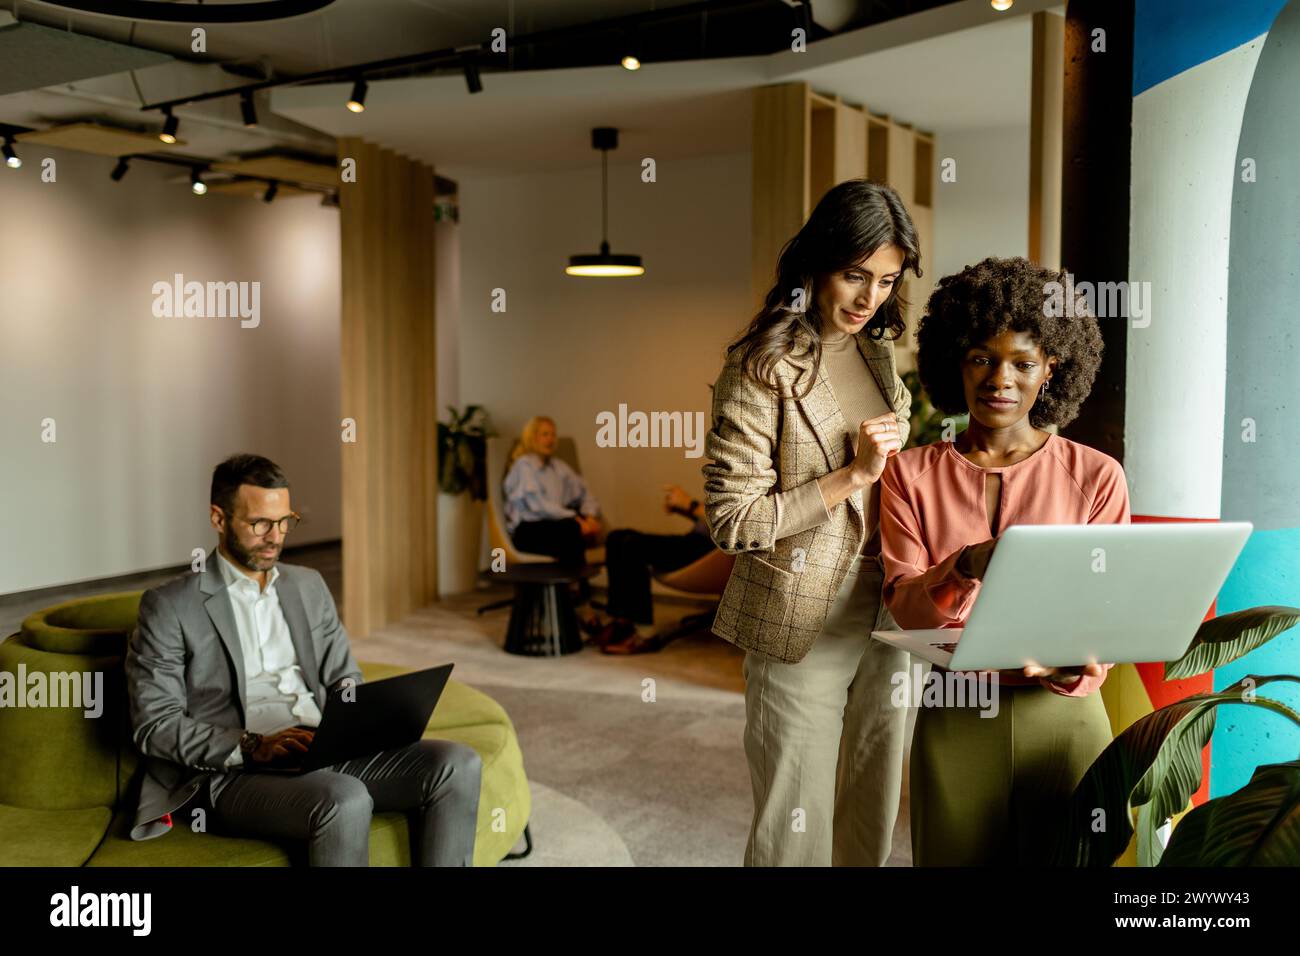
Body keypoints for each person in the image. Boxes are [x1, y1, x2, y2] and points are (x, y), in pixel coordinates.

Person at [878, 256, 1126, 866]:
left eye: (1022, 362)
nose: (999, 380)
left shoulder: (1096, 476)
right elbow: (905, 610)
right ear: (954, 362)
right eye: (981, 358)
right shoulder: (908, 476)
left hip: (1064, 716)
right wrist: (963, 566)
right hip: (957, 712)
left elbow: (1111, 612)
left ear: (1051, 370)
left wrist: (1079, 669)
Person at [703, 179, 921, 866]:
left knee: (871, 815)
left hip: (890, 620)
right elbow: (732, 519)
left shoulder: (881, 357)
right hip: (801, 621)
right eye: (855, 276)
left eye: (885, 282)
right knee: (793, 830)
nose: (868, 299)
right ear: (817, 263)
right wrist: (848, 477)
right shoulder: (759, 367)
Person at [125, 454, 482, 866]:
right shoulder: (170, 606)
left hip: (320, 747)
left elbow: (344, 679)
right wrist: (252, 746)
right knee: (344, 798)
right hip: (234, 773)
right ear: (219, 519)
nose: (275, 536)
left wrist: (366, 721)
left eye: (285, 521)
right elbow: (155, 724)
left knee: (458, 763)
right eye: (260, 523)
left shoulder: (308, 586)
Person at [503, 415, 603, 626]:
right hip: (527, 531)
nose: (550, 440)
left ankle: (575, 600)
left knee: (571, 531)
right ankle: (580, 603)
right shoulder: (524, 466)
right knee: (570, 530)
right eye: (544, 434)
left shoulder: (559, 467)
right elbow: (539, 506)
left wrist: (590, 516)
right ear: (532, 438)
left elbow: (585, 494)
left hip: (555, 527)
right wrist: (577, 520)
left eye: (553, 434)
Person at [594, 483, 717, 654]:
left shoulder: (758, 484)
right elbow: (709, 522)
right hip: (696, 541)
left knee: (633, 546)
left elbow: (732, 523)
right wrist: (684, 510)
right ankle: (622, 619)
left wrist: (690, 504)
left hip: (712, 552)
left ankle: (645, 635)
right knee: (616, 537)